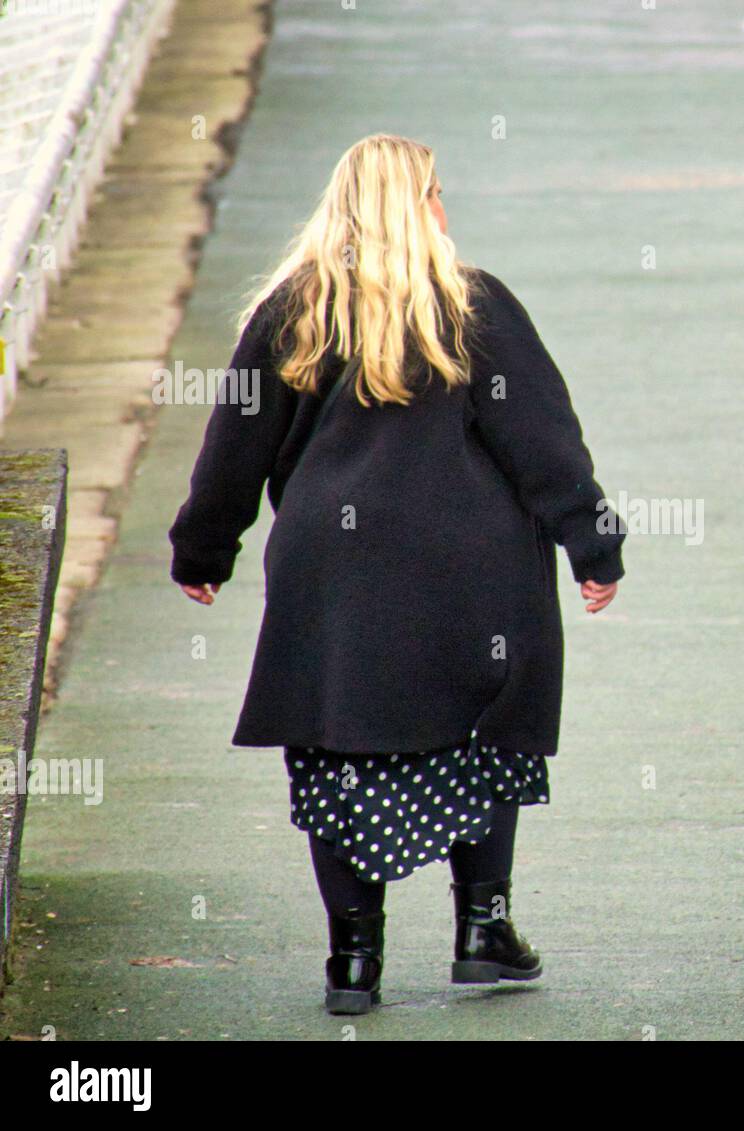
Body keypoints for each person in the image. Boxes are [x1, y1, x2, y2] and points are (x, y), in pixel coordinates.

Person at [169, 134, 624, 1015]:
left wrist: (205, 547)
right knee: (486, 732)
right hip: (471, 568)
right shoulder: (472, 305)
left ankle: (353, 959)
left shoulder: (292, 312)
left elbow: (234, 445)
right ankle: (482, 928)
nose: (446, 207)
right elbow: (544, 442)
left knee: (334, 741)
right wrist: (592, 544)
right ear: (419, 208)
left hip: (331, 572)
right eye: (436, 192)